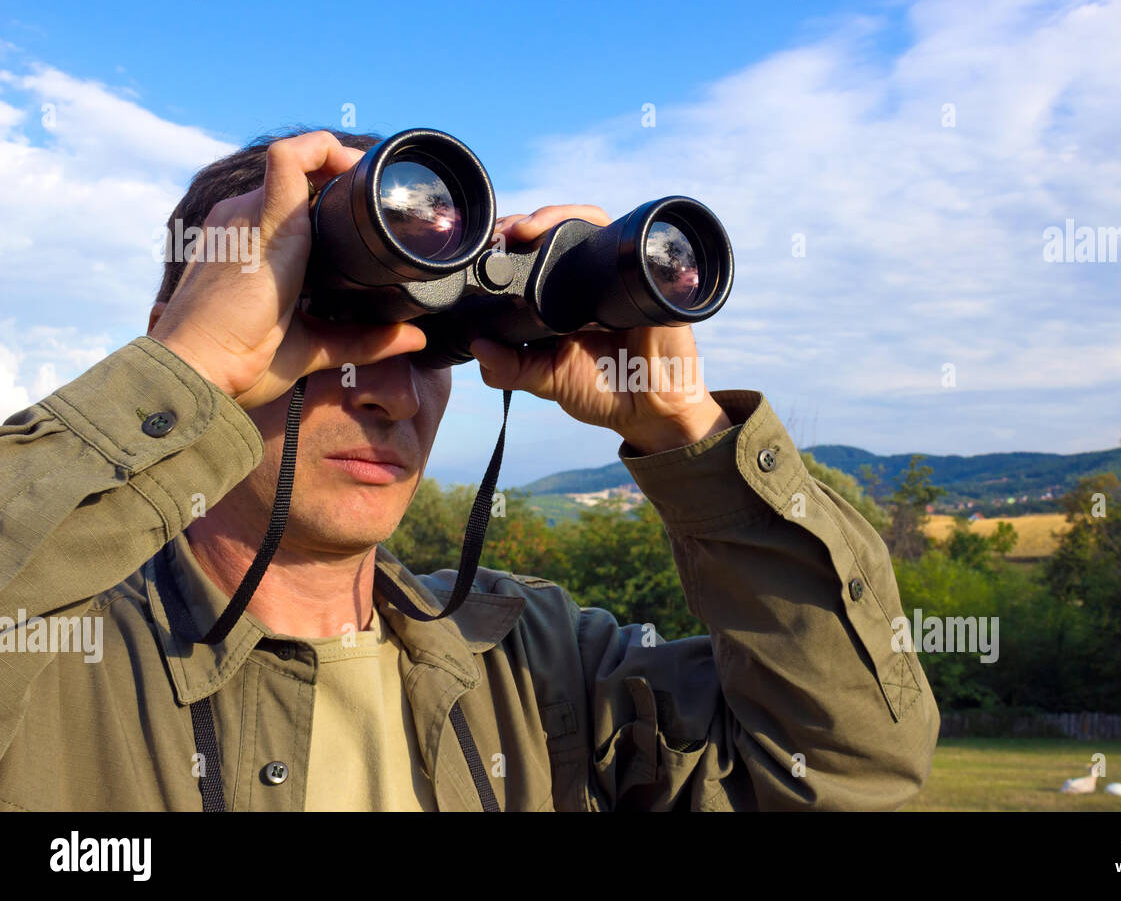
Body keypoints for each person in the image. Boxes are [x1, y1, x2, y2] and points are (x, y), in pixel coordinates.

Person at [0, 128, 939, 811]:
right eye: (327, 331)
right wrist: (185, 373)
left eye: (433, 346)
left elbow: (854, 765)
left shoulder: (535, 662)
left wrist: (683, 433)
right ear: (198, 326)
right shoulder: (57, 657)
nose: (393, 397)